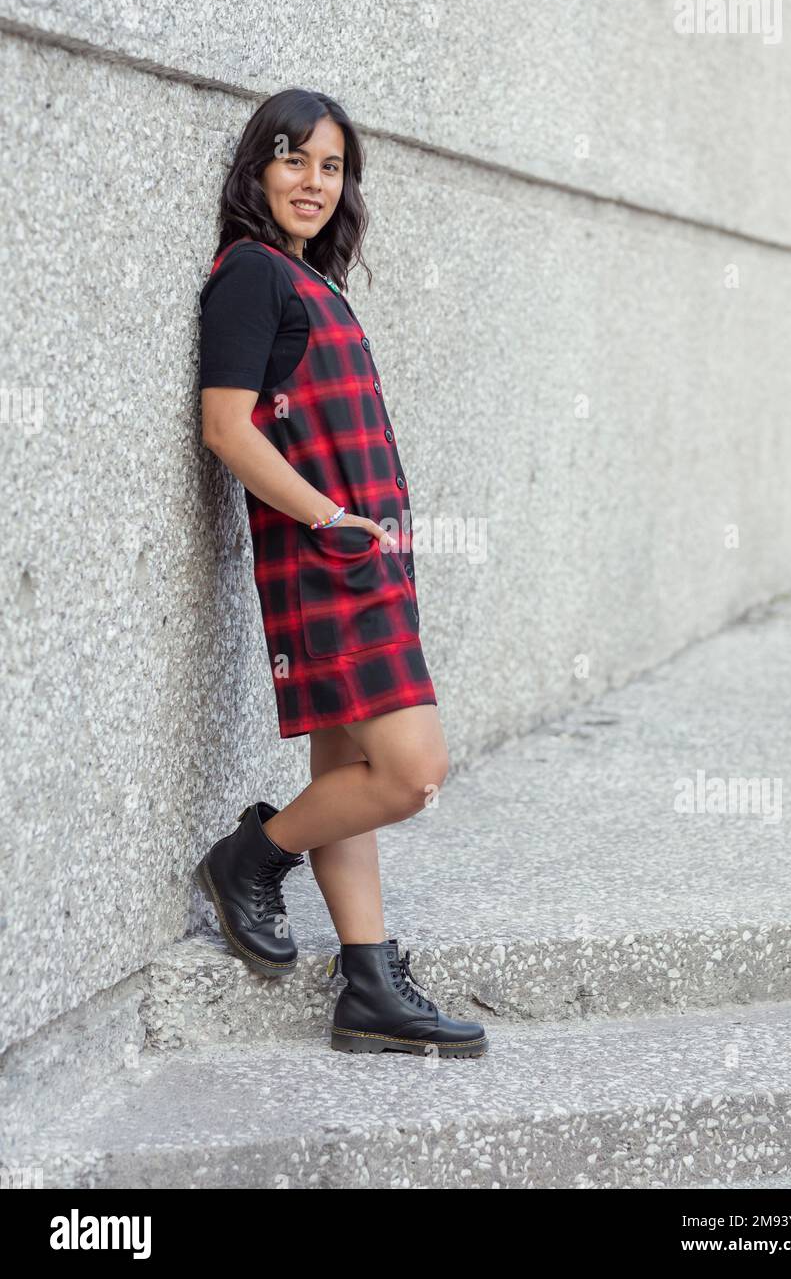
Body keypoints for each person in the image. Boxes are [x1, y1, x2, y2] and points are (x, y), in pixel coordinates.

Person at [195, 87, 487, 1058]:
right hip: (326, 561)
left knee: (353, 773)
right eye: (292, 160)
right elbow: (225, 427)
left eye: (330, 166)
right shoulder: (249, 276)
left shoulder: (307, 280)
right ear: (256, 170)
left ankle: (367, 980)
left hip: (361, 561)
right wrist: (330, 519)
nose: (312, 182)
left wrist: (367, 535)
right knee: (411, 773)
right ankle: (249, 857)